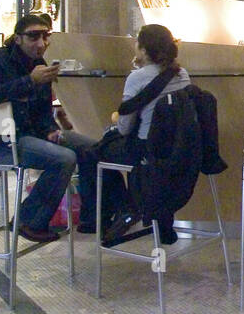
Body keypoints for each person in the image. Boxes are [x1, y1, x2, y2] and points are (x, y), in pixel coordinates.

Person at [0, 14, 76, 243]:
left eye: (46, 36)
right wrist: (29, 81)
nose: (41, 43)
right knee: (63, 158)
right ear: (17, 39)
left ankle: (98, 216)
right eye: (33, 36)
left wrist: (50, 129)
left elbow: (42, 112)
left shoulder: (40, 65)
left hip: (25, 136)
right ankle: (28, 221)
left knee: (90, 146)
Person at [76, 24, 192, 242]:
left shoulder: (138, 78)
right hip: (177, 150)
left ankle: (116, 211)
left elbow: (125, 127)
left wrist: (116, 120)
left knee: (92, 154)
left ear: (144, 49)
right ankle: (135, 211)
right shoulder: (182, 75)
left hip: (146, 149)